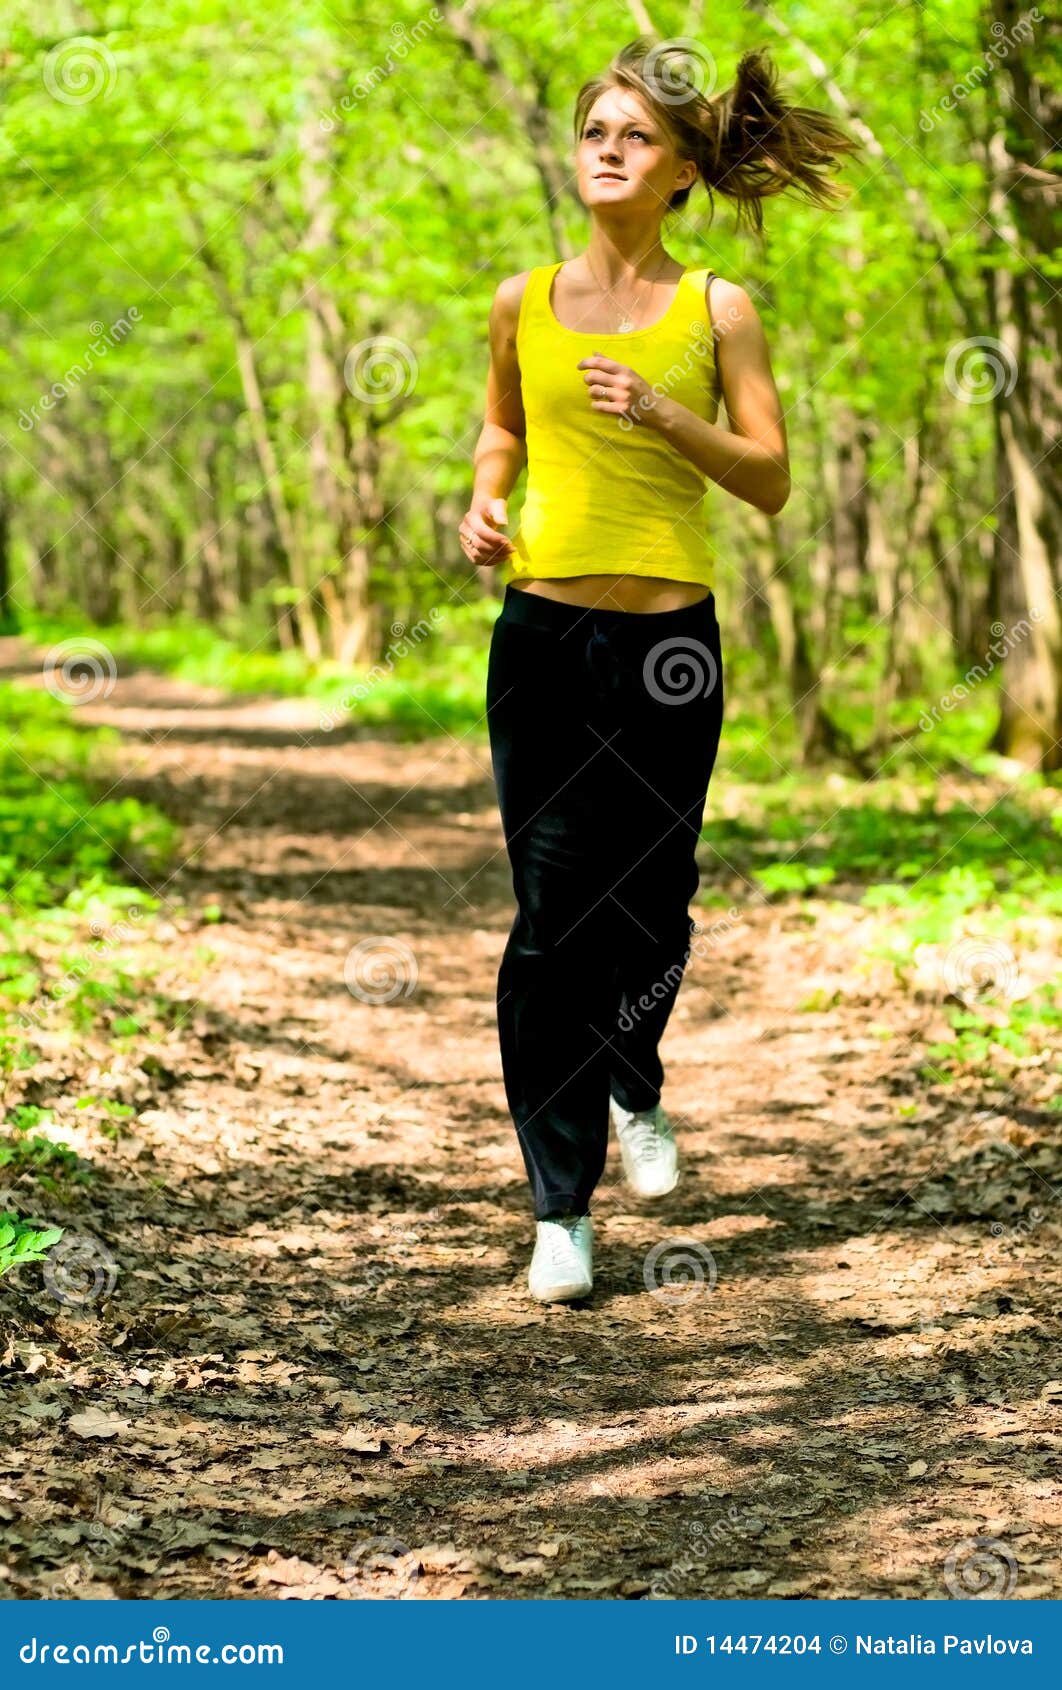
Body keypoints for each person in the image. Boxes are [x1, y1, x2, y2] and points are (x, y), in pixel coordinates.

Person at [460, 36, 859, 1303]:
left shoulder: (717, 308)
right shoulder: (522, 298)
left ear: (683, 168)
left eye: (636, 135)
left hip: (668, 647)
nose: (609, 150)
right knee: (547, 923)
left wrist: (665, 414)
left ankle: (636, 1073)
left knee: (654, 907)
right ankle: (559, 1208)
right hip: (539, 638)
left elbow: (772, 480)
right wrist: (480, 500)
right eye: (595, 133)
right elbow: (502, 427)